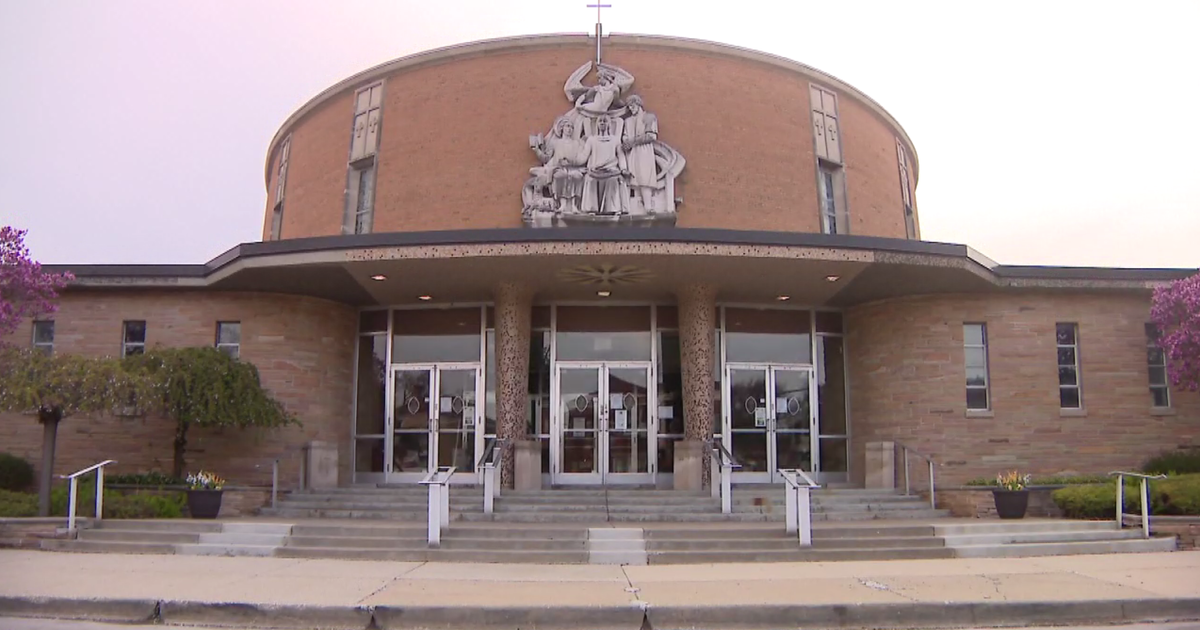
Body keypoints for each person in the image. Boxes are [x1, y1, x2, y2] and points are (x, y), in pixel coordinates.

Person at [578, 116, 628, 215]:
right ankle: (591, 209)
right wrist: (573, 161)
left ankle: (613, 208)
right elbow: (583, 156)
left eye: (605, 121)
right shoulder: (592, 140)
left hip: (611, 171)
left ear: (609, 124)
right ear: (597, 124)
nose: (602, 123)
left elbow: (621, 156)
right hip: (595, 172)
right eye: (600, 121)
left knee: (613, 180)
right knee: (590, 179)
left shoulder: (615, 140)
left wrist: (624, 169)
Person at [621, 95, 659, 214]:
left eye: (632, 106)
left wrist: (632, 141)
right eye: (629, 107)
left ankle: (647, 205)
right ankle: (637, 206)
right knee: (634, 178)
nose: (631, 108)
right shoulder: (628, 121)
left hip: (644, 151)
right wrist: (625, 141)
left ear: (638, 104)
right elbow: (625, 135)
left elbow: (652, 136)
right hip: (632, 152)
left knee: (645, 176)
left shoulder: (648, 117)